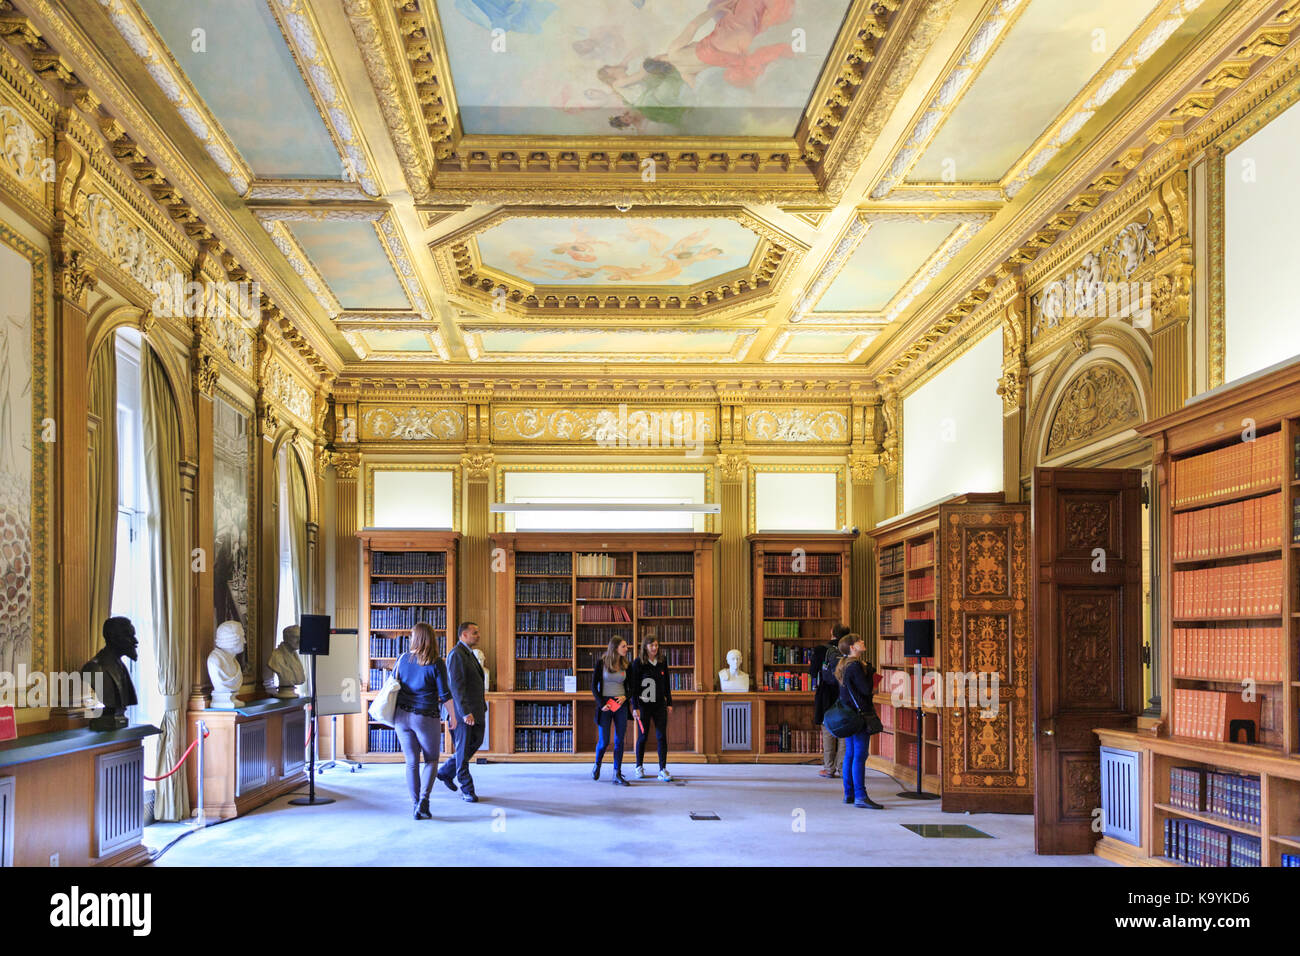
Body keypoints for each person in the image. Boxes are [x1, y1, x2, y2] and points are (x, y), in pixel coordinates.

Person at [393, 622, 455, 820]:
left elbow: (395, 684)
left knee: (411, 763)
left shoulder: (402, 659)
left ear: (415, 638)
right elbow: (445, 695)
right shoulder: (436, 663)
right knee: (431, 760)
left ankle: (414, 806)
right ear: (431, 639)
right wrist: (453, 716)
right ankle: (424, 801)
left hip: (401, 717)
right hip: (425, 717)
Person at [437, 621, 486, 802]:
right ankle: (467, 789)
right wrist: (465, 712)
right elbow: (456, 687)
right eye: (475, 632)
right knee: (463, 750)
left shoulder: (469, 654)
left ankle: (445, 771)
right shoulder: (456, 654)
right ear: (463, 635)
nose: (478, 635)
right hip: (462, 713)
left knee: (475, 742)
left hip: (476, 710)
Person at [836, 633, 883, 810]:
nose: (863, 642)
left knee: (850, 754)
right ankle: (861, 796)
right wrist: (871, 674)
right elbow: (865, 690)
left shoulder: (844, 665)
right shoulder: (855, 666)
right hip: (860, 716)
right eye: (859, 641)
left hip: (849, 715)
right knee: (860, 756)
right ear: (852, 647)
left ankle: (849, 793)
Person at [628, 637, 673, 781]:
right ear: (645, 647)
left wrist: (669, 703)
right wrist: (635, 707)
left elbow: (667, 684)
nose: (655, 648)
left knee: (661, 736)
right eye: (652, 645)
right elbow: (633, 687)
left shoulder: (662, 661)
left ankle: (662, 769)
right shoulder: (638, 663)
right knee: (643, 736)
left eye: (656, 645)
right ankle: (638, 767)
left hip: (659, 705)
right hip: (644, 705)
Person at [591, 636, 631, 785]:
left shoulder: (627, 664)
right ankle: (597, 764)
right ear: (615, 648)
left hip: (620, 705)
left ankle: (617, 774)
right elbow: (594, 686)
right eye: (624, 646)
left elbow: (632, 687)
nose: (627, 649)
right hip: (605, 705)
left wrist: (625, 697)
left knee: (619, 741)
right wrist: (601, 703)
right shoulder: (601, 663)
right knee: (604, 741)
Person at [811, 624, 850, 778]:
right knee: (844, 731)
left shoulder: (821, 650)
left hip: (826, 694)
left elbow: (813, 672)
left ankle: (828, 768)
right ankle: (841, 767)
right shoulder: (849, 649)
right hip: (845, 693)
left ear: (831, 633)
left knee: (827, 730)